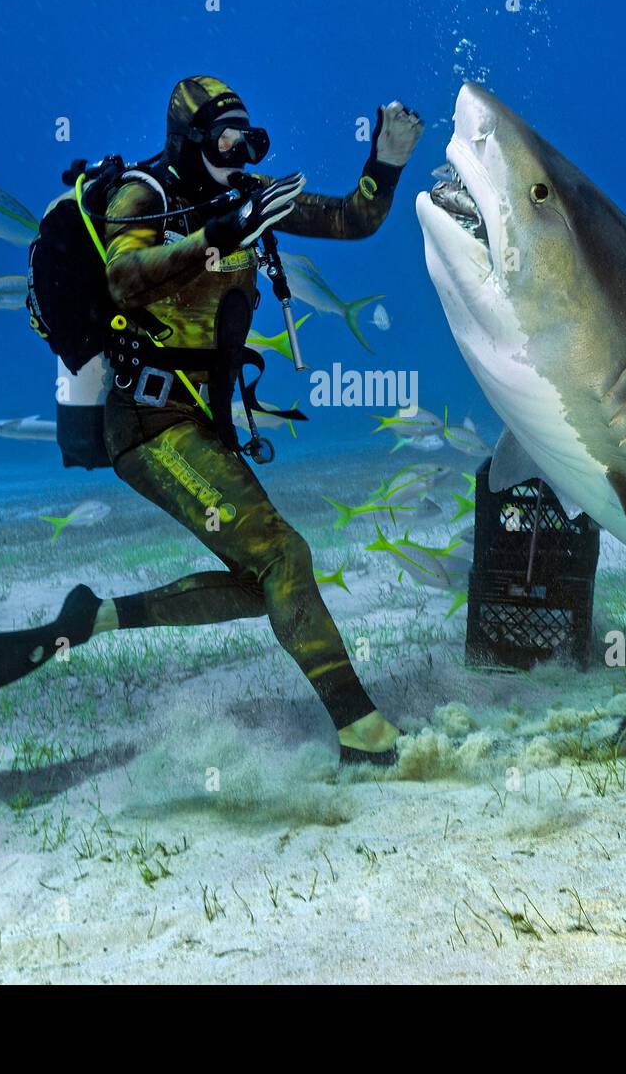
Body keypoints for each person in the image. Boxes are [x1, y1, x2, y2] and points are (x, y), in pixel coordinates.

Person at [80, 76, 421, 764]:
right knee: (285, 555)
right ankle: (361, 730)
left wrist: (384, 162)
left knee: (261, 577)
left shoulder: (245, 194)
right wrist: (226, 230)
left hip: (200, 420)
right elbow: (125, 276)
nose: (242, 148)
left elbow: (349, 220)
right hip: (146, 419)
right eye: (227, 135)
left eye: (248, 134)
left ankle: (101, 615)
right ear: (193, 139)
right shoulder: (144, 194)